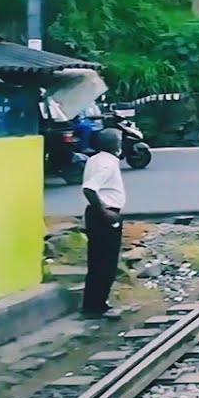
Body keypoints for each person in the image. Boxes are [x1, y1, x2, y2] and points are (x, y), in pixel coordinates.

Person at [81, 129, 126, 319]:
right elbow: (89, 188)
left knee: (96, 261)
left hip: (95, 213)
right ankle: (98, 306)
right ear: (112, 144)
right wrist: (105, 213)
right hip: (104, 214)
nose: (121, 144)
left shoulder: (95, 159)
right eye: (119, 141)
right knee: (106, 263)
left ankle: (93, 303)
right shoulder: (107, 164)